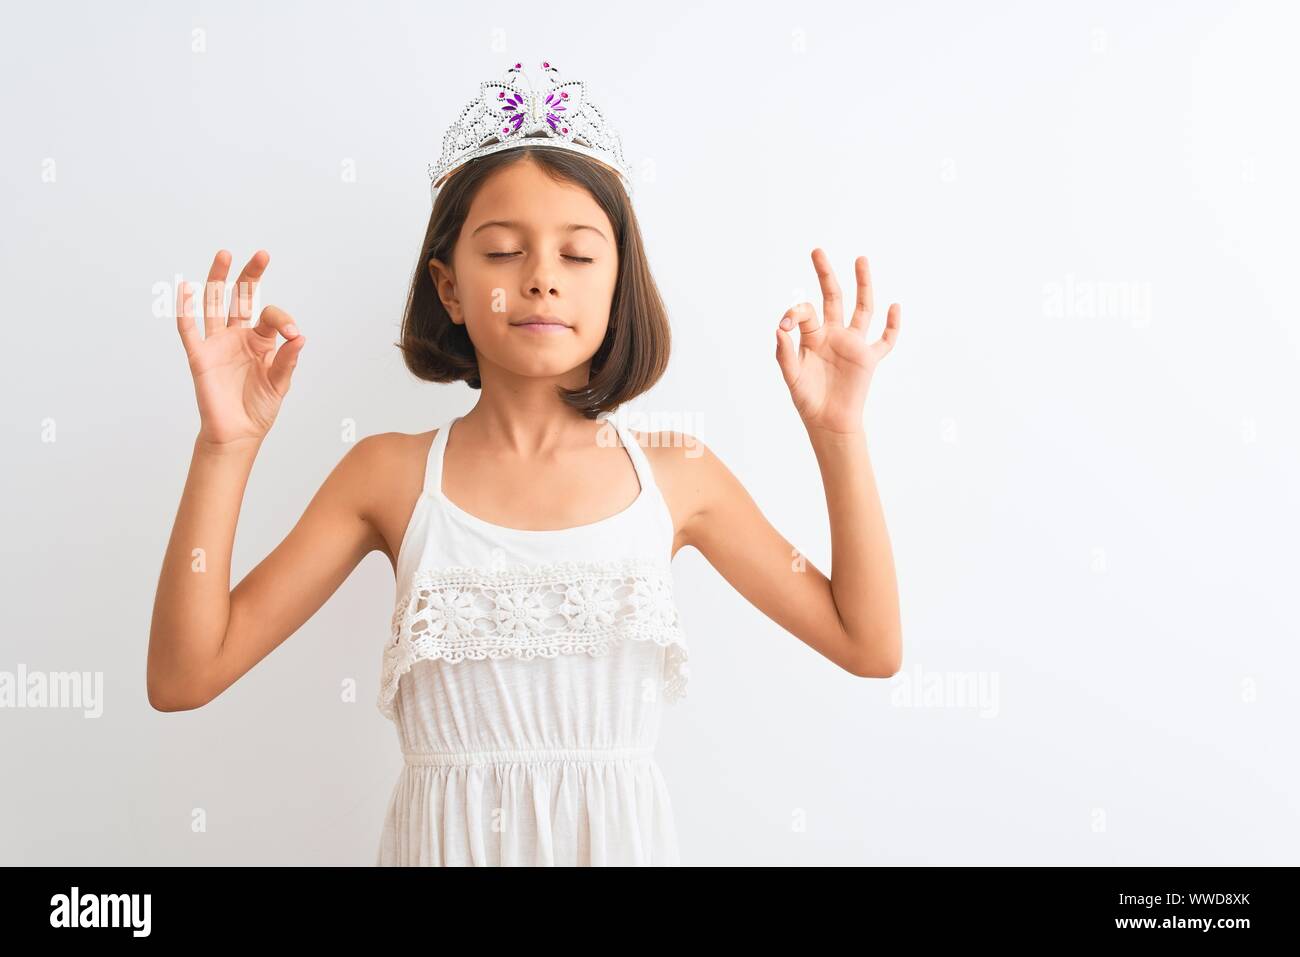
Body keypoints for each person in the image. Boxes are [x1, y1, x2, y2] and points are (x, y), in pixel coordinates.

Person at [147, 59, 903, 866]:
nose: (542, 279)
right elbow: (184, 675)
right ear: (449, 288)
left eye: (578, 256)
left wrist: (839, 433)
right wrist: (225, 445)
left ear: (618, 284)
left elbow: (868, 643)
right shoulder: (388, 476)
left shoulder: (678, 476)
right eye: (505, 251)